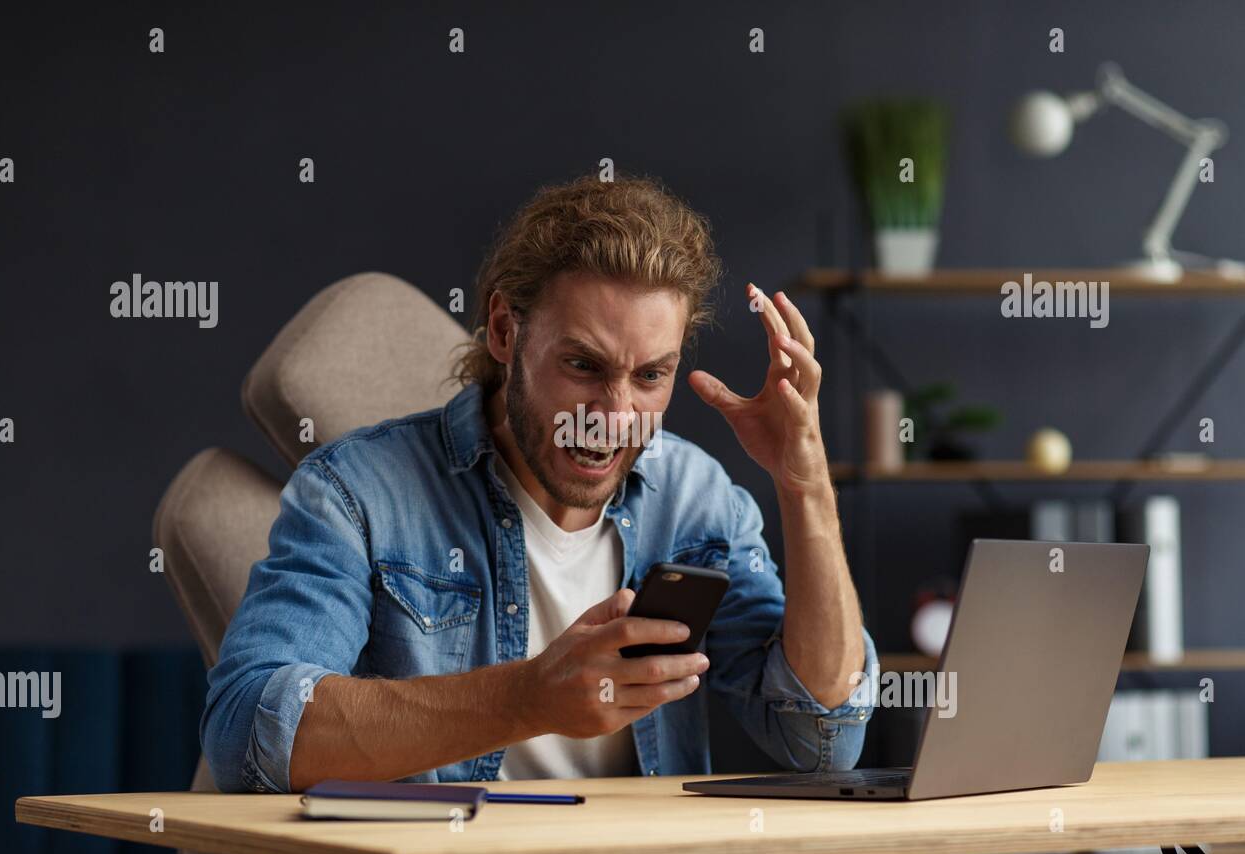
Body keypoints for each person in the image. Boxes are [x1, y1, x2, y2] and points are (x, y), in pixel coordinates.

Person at [201, 173, 878, 793]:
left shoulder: (697, 499)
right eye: (583, 365)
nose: (613, 418)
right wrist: (526, 698)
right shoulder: (358, 493)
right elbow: (247, 735)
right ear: (504, 329)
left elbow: (823, 738)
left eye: (650, 376)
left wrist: (806, 484)